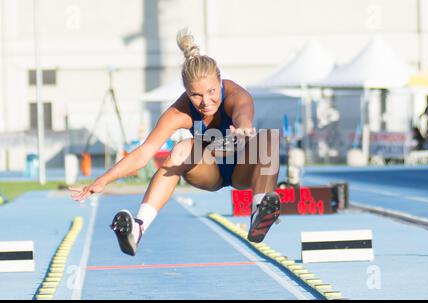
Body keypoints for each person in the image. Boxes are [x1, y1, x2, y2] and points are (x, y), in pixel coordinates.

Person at [70, 29, 281, 256]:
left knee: (269, 138)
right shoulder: (179, 112)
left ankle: (259, 211)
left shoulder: (237, 95)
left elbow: (243, 117)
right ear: (186, 92)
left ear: (219, 81)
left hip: (242, 169)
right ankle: (138, 228)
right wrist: (104, 179)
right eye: (196, 95)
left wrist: (243, 130)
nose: (206, 101)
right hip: (210, 173)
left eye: (211, 91)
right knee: (181, 149)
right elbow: (144, 153)